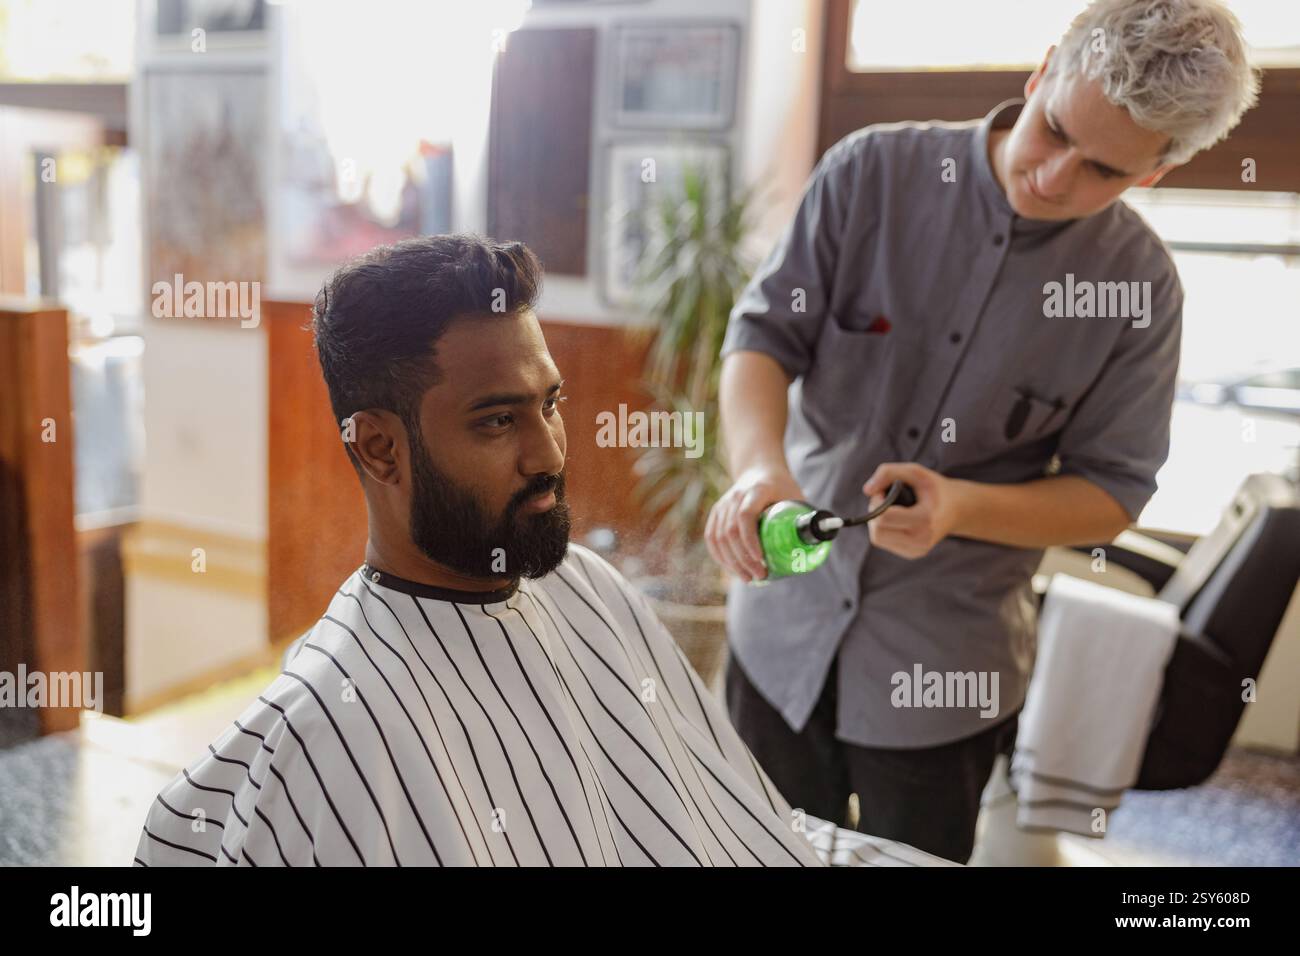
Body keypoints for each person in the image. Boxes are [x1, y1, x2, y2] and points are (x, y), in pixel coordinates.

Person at [132, 234, 942, 867]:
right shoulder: (335, 719)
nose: (549, 451)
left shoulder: (585, 586)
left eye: (550, 403)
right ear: (379, 450)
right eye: (497, 420)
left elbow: (728, 818)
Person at [706, 0, 1259, 863]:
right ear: (1042, 72)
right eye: (1053, 130)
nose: (1054, 177)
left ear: (1153, 173)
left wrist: (959, 506)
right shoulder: (872, 172)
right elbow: (762, 340)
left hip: (943, 672)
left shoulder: (1140, 292)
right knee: (745, 851)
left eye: (1103, 170)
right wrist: (757, 472)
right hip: (780, 633)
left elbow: (1111, 493)